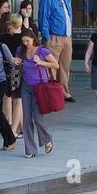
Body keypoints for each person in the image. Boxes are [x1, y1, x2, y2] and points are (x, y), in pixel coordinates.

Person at [15, 30, 58, 158]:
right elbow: (18, 65)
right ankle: (30, 149)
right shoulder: (20, 50)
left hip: (40, 87)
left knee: (38, 117)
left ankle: (46, 139)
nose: (25, 43)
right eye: (23, 41)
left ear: (33, 39)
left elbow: (55, 65)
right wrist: (16, 63)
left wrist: (41, 62)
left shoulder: (42, 51)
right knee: (27, 118)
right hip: (26, 86)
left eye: (27, 40)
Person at [37, 0, 75, 102]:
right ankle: (52, 94)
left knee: (65, 66)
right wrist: (47, 37)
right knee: (51, 66)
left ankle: (64, 92)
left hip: (67, 37)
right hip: (54, 37)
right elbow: (43, 18)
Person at [1, 14, 26, 137]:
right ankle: (15, 129)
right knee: (18, 100)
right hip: (17, 71)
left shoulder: (3, 37)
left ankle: (9, 125)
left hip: (4, 70)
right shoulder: (23, 38)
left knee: (7, 97)